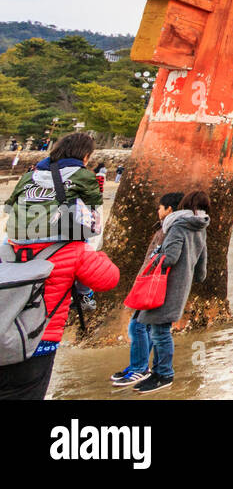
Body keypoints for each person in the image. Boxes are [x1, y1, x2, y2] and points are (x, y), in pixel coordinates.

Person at [0, 137, 120, 400]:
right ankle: (85, 298)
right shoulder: (72, 250)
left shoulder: (5, 248)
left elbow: (10, 206)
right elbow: (93, 211)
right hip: (38, 343)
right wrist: (83, 240)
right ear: (85, 155)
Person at [128, 189, 210, 394]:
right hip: (182, 285)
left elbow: (170, 257)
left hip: (167, 285)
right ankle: (157, 372)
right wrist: (193, 277)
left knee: (160, 332)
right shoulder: (201, 228)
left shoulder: (178, 226)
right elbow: (202, 268)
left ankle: (163, 374)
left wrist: (154, 259)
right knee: (161, 330)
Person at [110, 191, 182, 388]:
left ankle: (140, 368)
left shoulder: (171, 231)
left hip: (154, 285)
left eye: (160, 207)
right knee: (144, 326)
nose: (157, 211)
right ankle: (140, 366)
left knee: (139, 326)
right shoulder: (167, 228)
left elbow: (169, 258)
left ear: (169, 209)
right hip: (151, 284)